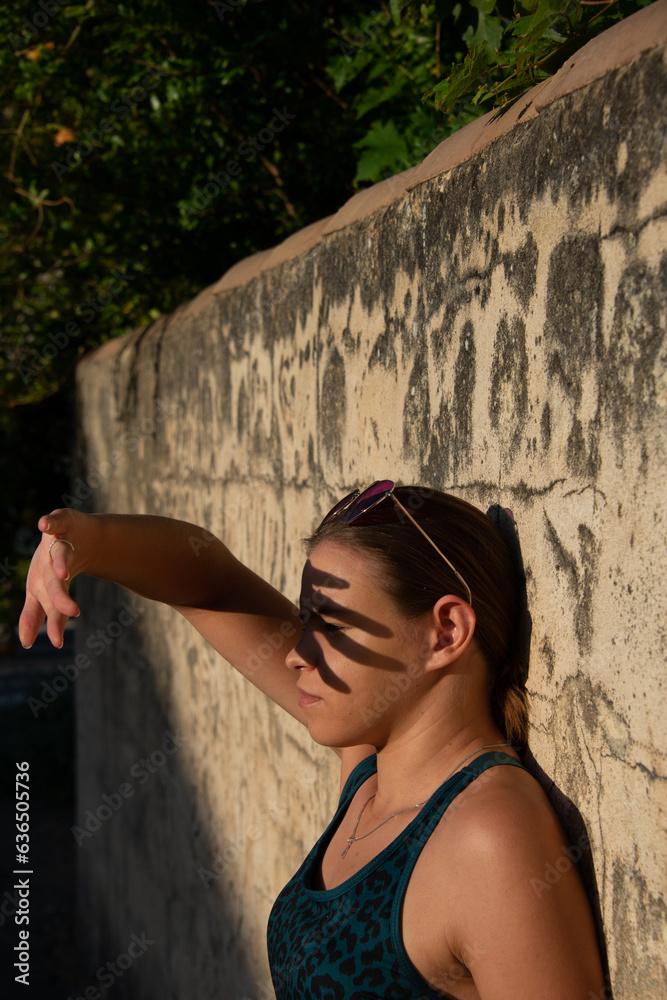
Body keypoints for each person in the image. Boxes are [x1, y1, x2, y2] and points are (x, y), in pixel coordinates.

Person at [19, 480, 606, 999]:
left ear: (446, 631)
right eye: (306, 622)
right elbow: (209, 583)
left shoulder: (489, 836)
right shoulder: (369, 774)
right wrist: (86, 543)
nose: (297, 654)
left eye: (332, 624)